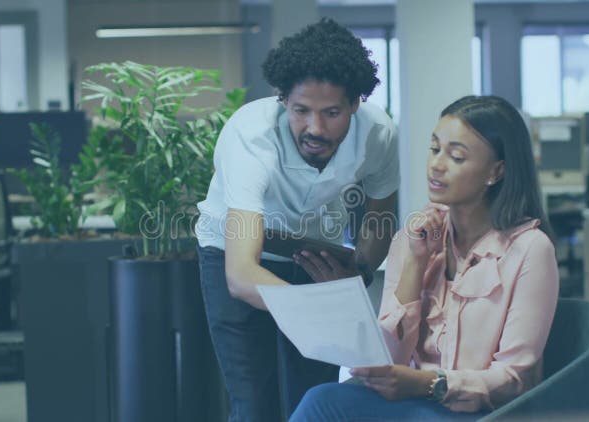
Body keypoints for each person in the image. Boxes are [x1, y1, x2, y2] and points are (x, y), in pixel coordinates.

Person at [290, 95, 560, 421]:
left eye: (456, 156)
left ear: (496, 172)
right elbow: (390, 359)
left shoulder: (530, 249)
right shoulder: (412, 238)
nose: (437, 164)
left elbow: (516, 380)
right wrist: (416, 262)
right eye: (435, 149)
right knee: (321, 400)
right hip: (413, 402)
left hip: (477, 412)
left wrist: (430, 384)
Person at [194, 18, 400, 422]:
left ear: (356, 103)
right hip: (233, 252)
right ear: (282, 98)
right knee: (255, 404)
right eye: (301, 110)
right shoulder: (251, 140)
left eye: (332, 112)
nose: (315, 128)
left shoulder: (378, 134)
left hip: (313, 252)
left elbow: (379, 221)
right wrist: (323, 304)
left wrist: (355, 275)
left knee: (313, 399)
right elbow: (241, 275)